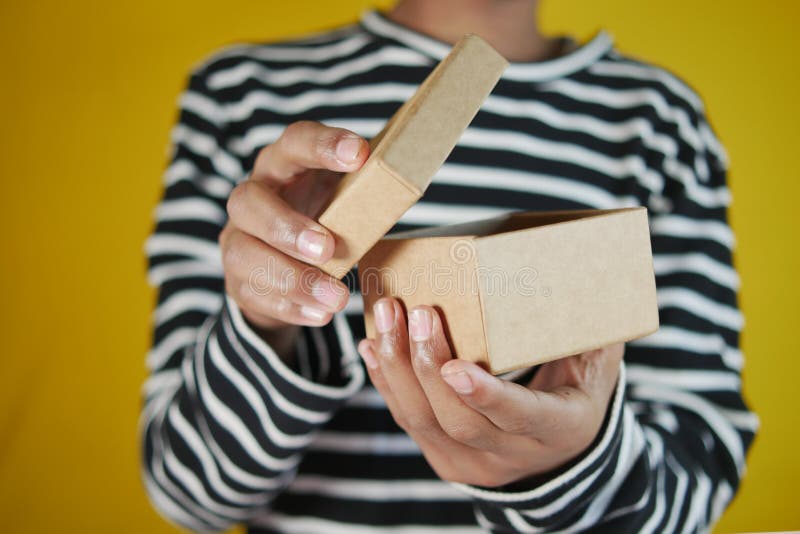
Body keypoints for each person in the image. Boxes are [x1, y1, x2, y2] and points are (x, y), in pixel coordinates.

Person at [140, 0, 758, 531]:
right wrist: (264, 326)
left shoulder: (658, 121)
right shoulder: (240, 95)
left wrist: (565, 468)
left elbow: (699, 468)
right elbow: (188, 492)